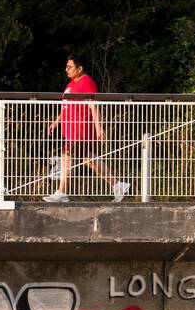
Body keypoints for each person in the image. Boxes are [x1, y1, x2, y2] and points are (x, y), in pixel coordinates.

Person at [43, 54, 130, 202]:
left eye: (69, 67)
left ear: (80, 68)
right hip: (71, 130)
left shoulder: (87, 82)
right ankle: (118, 185)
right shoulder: (70, 85)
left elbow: (93, 105)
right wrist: (56, 121)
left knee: (66, 154)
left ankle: (61, 191)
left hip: (81, 130)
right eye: (66, 67)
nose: (66, 70)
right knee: (89, 160)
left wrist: (98, 127)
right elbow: (66, 107)